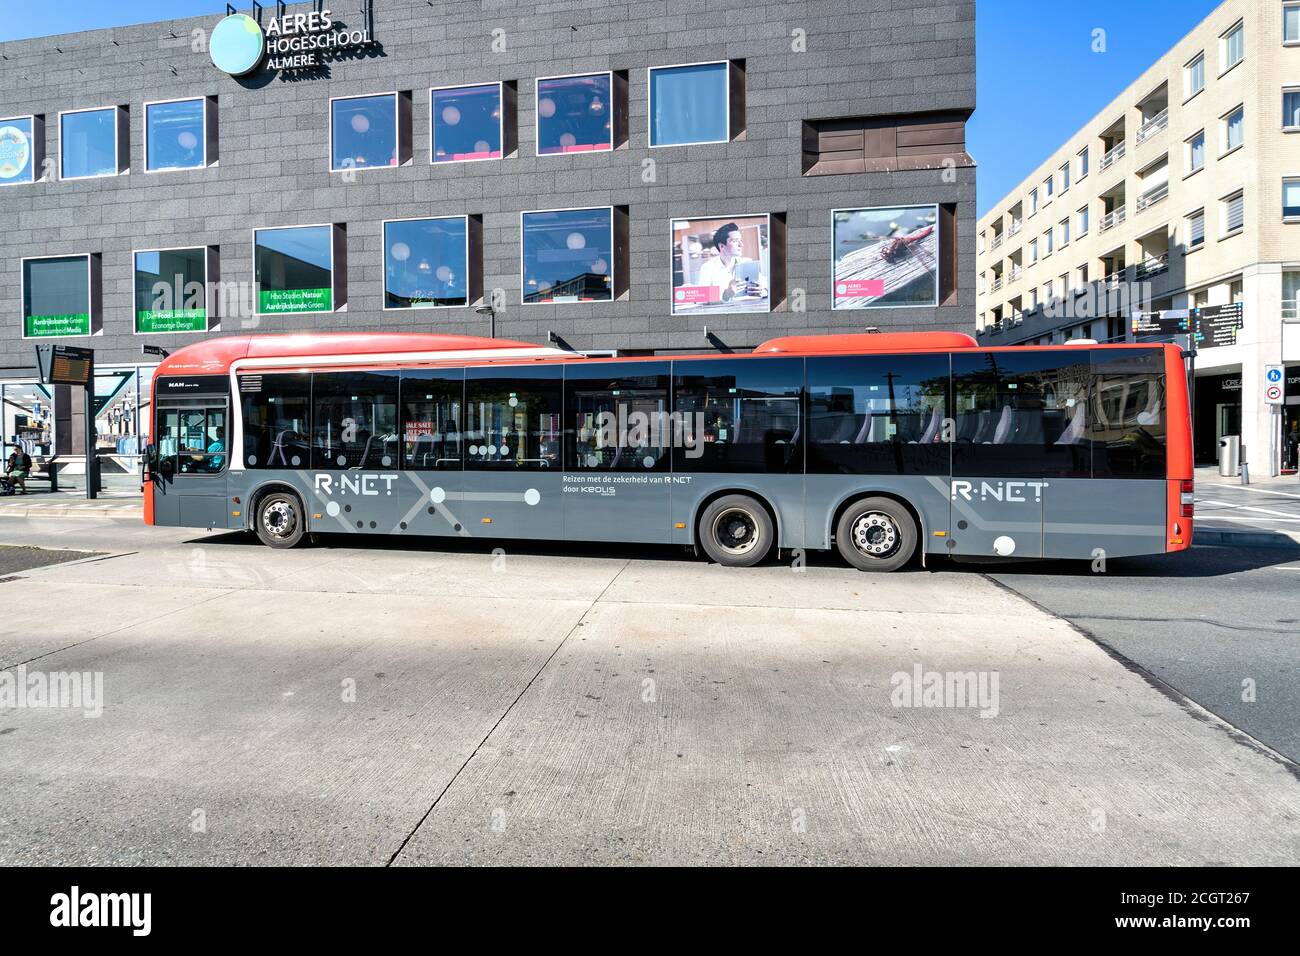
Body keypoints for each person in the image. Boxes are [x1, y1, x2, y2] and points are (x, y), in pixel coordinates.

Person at [696, 222, 765, 302]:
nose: (741, 245)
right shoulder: (708, 268)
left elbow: (766, 286)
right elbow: (701, 297)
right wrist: (725, 294)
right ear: (721, 246)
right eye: (735, 241)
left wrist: (763, 291)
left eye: (740, 240)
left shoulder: (748, 263)